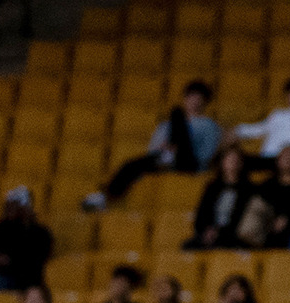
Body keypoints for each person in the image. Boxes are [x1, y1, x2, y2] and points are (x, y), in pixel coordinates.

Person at [85, 79, 221, 210]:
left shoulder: (209, 125)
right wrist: (161, 150)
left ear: (205, 102)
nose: (195, 101)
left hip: (189, 161)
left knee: (177, 115)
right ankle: (105, 197)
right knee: (131, 164)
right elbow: (152, 151)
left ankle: (172, 154)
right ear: (185, 98)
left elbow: (207, 154)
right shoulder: (165, 125)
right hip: (164, 160)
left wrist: (184, 152)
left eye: (199, 98)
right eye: (192, 97)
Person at [0, 187, 53, 290]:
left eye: (16, 205)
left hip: (24, 279)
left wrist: (11, 261)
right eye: (9, 204)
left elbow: (36, 259)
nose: (11, 209)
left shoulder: (40, 233)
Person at [190, 147, 259, 250]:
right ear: (222, 162)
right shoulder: (212, 188)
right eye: (229, 159)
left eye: (236, 160)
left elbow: (245, 218)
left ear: (241, 163)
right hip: (210, 234)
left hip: (234, 237)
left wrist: (220, 232)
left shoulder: (249, 189)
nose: (232, 163)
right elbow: (202, 213)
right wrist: (206, 231)